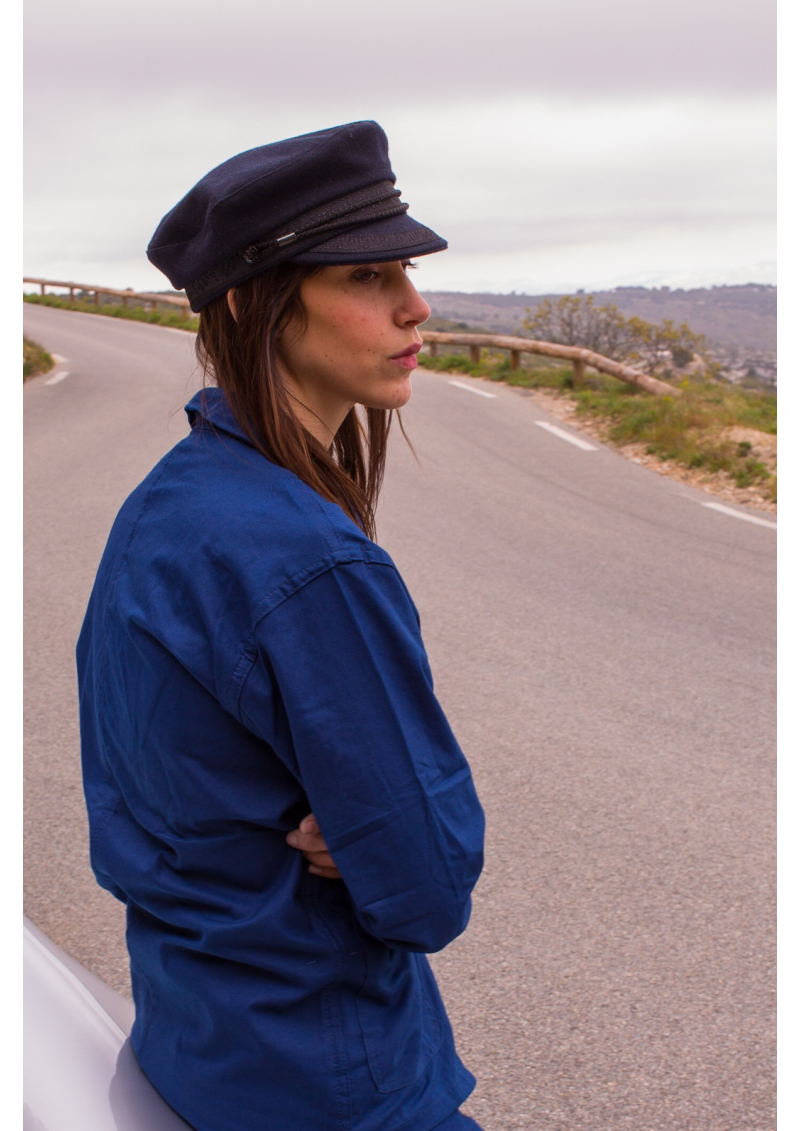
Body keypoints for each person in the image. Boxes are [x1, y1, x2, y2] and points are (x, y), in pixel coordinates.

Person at [77, 120, 486, 1131]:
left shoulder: (168, 507)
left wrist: (363, 825)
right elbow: (429, 887)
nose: (413, 304)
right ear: (260, 303)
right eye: (366, 275)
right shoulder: (306, 562)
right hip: (329, 1079)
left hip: (202, 1043)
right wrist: (377, 830)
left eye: (408, 270)